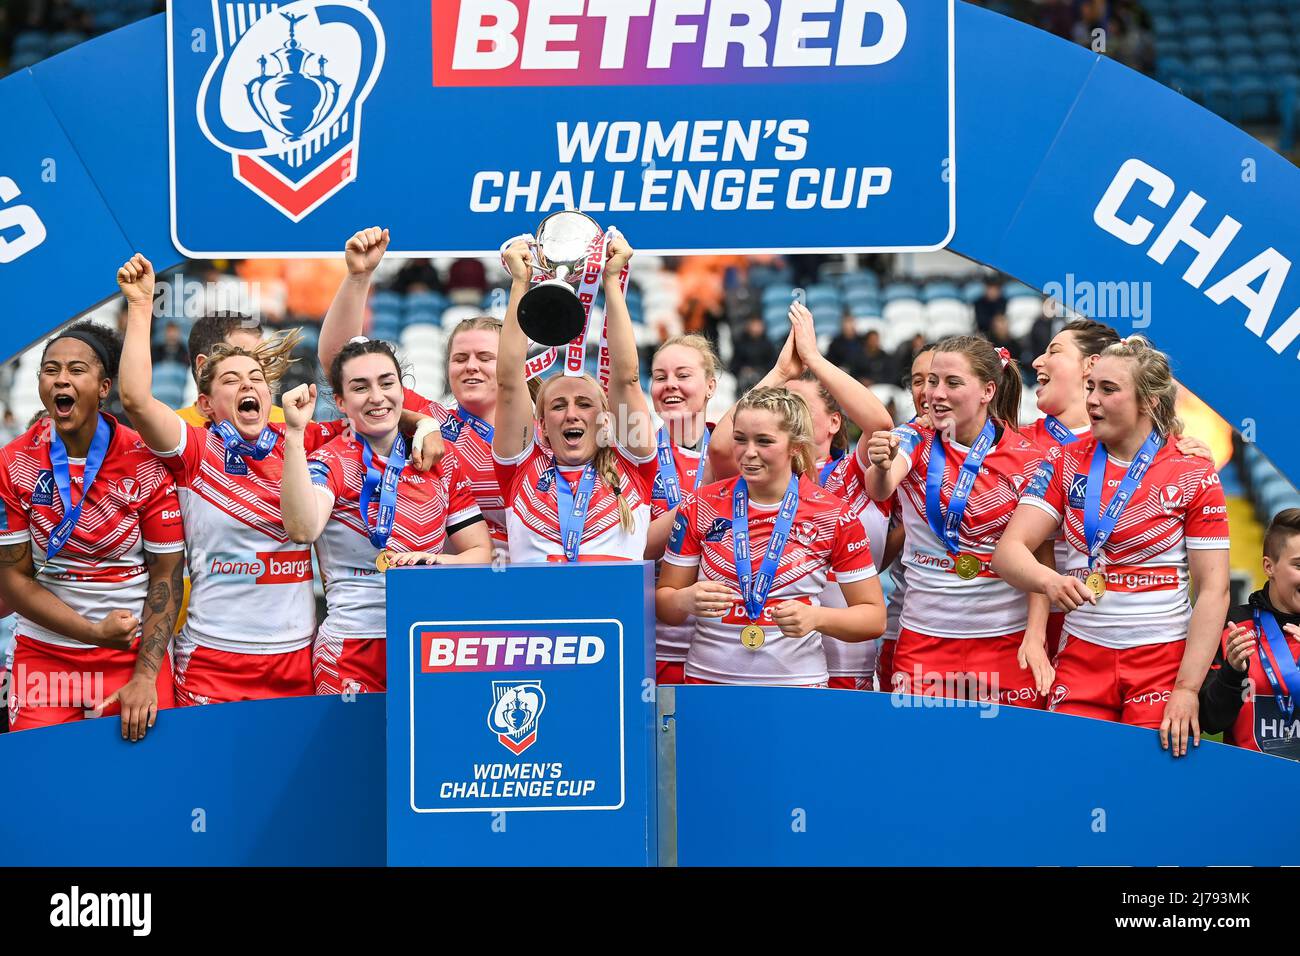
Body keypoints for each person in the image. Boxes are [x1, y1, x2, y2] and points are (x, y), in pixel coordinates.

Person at [116, 253, 445, 705]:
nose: (248, 384)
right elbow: (134, 399)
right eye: (231, 379)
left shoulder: (303, 439)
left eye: (257, 376)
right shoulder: (194, 449)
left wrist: (422, 421)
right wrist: (139, 307)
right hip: (214, 659)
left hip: (296, 658)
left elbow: (370, 405)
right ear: (207, 403)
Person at [992, 337, 1231, 755]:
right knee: (1072, 780)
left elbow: (1214, 590)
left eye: (1108, 389)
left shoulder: (1193, 470)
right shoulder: (1065, 461)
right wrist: (1049, 581)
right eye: (1090, 388)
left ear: (1149, 402)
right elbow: (1008, 552)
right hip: (1082, 655)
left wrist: (1188, 687)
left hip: (1161, 661)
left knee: (1148, 791)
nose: (1093, 401)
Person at [0, 321, 184, 738]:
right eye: (51, 369)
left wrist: (145, 676)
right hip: (45, 657)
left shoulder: (145, 460)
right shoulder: (13, 463)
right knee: (41, 785)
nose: (61, 378)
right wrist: (93, 633)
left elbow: (166, 576)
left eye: (76, 369)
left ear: (104, 387)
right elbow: (12, 582)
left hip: (134, 658)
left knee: (142, 785)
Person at [279, 338, 493, 695]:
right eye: (360, 388)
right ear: (342, 401)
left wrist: (433, 562)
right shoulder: (330, 461)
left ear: (401, 389)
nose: (377, 396)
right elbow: (303, 529)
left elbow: (480, 553)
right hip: (353, 650)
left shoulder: (440, 458)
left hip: (430, 640)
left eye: (386, 382)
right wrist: (296, 434)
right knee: (352, 752)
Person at [656, 386, 886, 686]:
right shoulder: (700, 505)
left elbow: (873, 618)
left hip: (796, 687)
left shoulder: (833, 514)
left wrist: (817, 618)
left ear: (794, 446)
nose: (748, 452)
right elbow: (664, 603)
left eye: (764, 441)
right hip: (708, 684)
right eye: (740, 439)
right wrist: (684, 600)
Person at [864, 335, 1048, 706]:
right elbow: (880, 489)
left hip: (1005, 641)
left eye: (952, 382)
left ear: (987, 391)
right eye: (931, 381)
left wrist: (1035, 635)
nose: (936, 393)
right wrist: (881, 464)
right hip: (925, 641)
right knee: (923, 759)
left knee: (1003, 761)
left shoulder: (1030, 457)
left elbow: (1040, 556)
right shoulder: (913, 437)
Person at [319, 229, 519, 547]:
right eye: (459, 358)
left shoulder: (543, 428)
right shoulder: (433, 417)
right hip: (456, 579)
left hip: (532, 578)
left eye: (485, 357)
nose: (470, 366)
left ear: (512, 362)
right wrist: (359, 278)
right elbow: (340, 363)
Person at [493, 233, 657, 563]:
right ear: (540, 424)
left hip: (616, 615)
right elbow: (509, 383)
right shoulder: (521, 470)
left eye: (584, 404)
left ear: (606, 419)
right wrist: (519, 284)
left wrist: (611, 280)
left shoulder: (634, 467)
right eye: (557, 405)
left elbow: (627, 378)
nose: (571, 413)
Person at [644, 333, 720, 685]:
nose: (670, 385)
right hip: (651, 643)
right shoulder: (634, 455)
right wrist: (696, 505)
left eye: (682, 375)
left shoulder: (737, 454)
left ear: (710, 385)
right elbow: (632, 550)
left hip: (724, 644)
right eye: (660, 377)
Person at [1199, 509, 1300, 760]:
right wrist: (1232, 674)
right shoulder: (1232, 626)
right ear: (1269, 566)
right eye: (1299, 565)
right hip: (1247, 785)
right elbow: (1209, 721)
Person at [873, 345, 935, 692]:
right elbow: (875, 560)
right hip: (907, 619)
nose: (927, 392)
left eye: (937, 380)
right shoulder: (901, 441)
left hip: (990, 625)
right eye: (917, 381)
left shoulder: (993, 443)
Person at [177, 312, 286, 426]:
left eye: (266, 361)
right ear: (204, 367)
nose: (262, 372)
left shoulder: (288, 424)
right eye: (247, 359)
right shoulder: (170, 434)